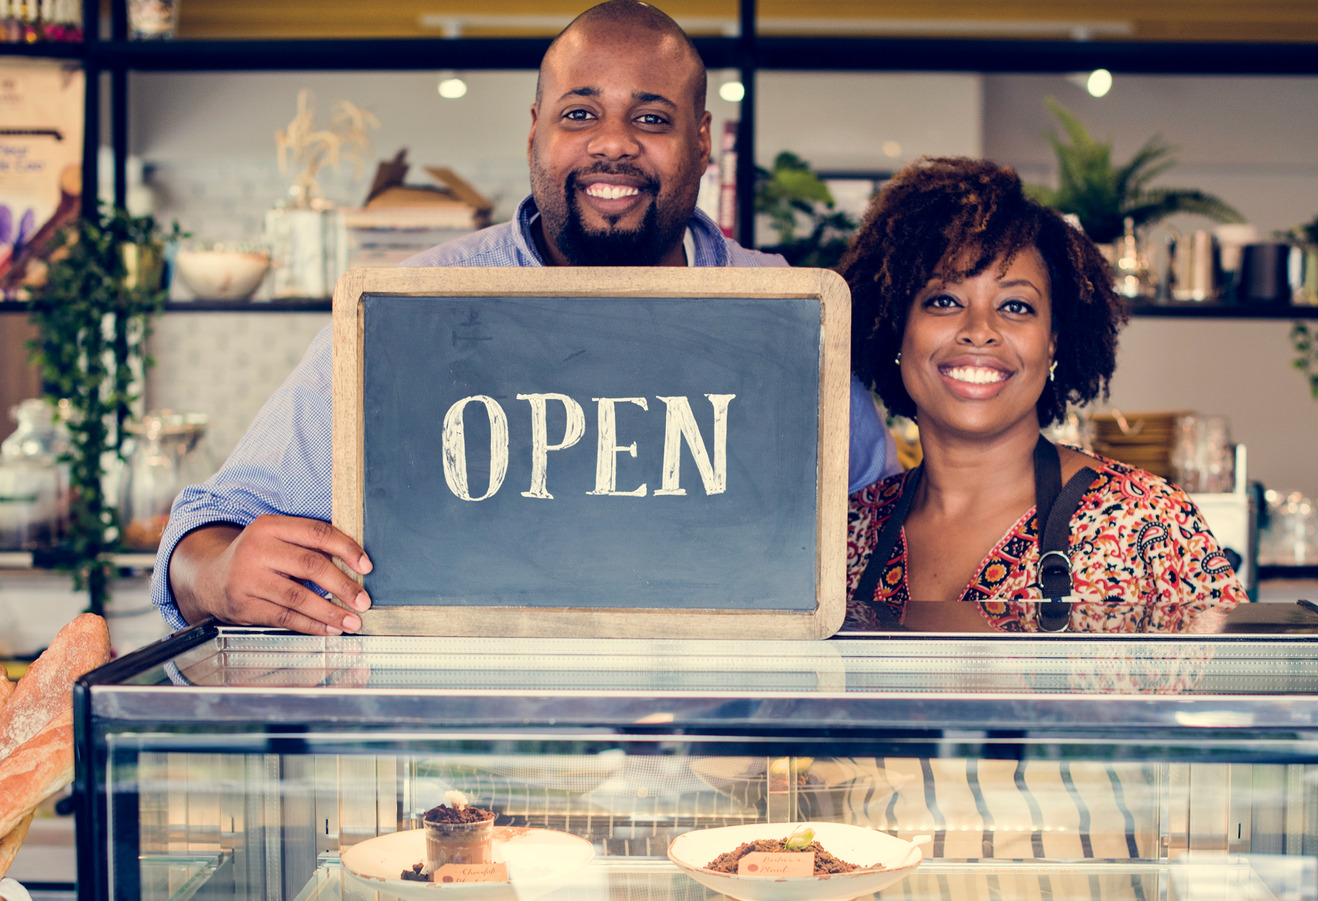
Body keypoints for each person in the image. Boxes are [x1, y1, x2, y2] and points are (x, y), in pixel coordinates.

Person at [152, 0, 897, 636]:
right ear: (535, 129)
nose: (614, 143)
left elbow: (885, 530)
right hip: (467, 749)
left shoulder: (792, 319)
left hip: (722, 743)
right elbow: (204, 530)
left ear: (701, 141)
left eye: (651, 117)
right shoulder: (411, 311)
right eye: (580, 114)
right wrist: (218, 574)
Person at [837, 157, 1246, 633]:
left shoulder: (1147, 524)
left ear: (1052, 343)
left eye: (1015, 306)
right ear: (896, 329)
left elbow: (1241, 681)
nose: (979, 330)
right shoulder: (847, 531)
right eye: (944, 300)